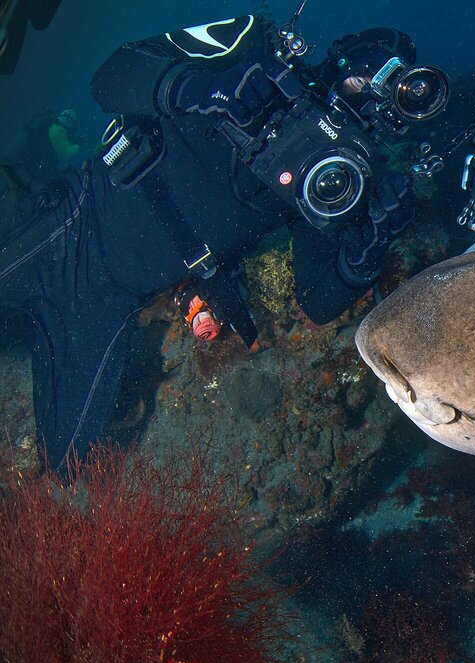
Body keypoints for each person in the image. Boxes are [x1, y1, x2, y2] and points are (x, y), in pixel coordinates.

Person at [0, 15, 428, 473]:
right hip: (72, 221)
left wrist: (372, 245)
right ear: (341, 59)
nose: (366, 100)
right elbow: (110, 77)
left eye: (388, 104)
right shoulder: (250, 47)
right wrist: (202, 88)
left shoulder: (333, 177)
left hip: (109, 302)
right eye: (367, 79)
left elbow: (319, 301)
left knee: (63, 465)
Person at [1, 107, 81, 183]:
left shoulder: (51, 127)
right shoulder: (58, 130)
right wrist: (78, 145)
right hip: (32, 169)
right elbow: (65, 153)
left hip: (23, 165)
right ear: (69, 122)